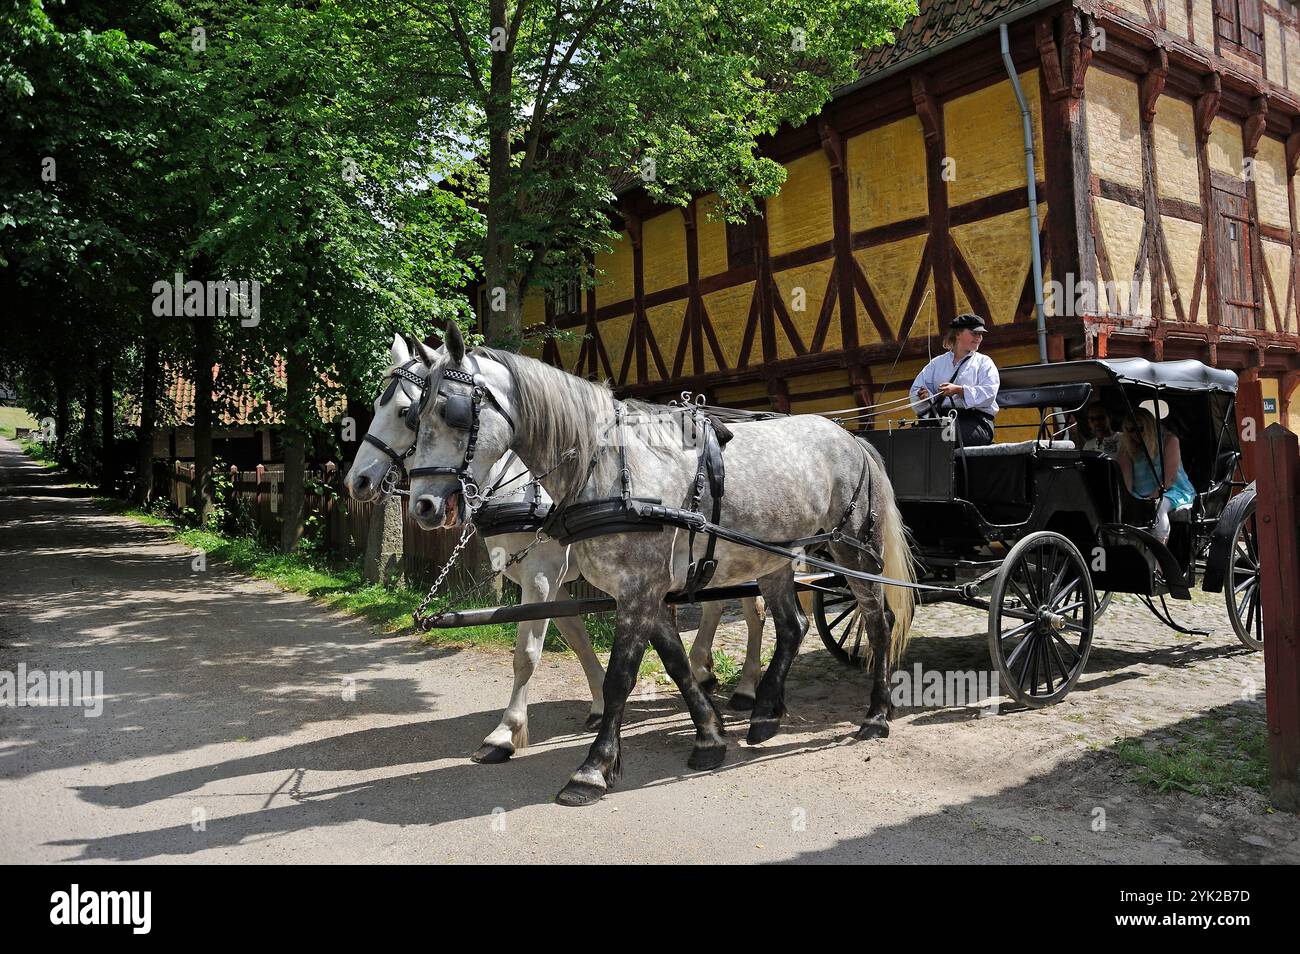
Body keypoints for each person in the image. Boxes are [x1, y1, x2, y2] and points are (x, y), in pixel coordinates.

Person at [909, 313, 999, 446]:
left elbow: (989, 394)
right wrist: (926, 396)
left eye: (980, 334)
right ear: (958, 334)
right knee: (912, 438)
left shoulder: (984, 362)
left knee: (944, 437)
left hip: (975, 422)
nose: (979, 338)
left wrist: (958, 390)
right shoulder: (937, 363)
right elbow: (916, 390)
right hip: (942, 420)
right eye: (974, 333)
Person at [1117, 407, 1196, 544]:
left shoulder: (1169, 441)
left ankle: (1160, 556)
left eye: (1140, 428)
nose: (1135, 434)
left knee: (1158, 507)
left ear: (1150, 427)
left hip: (1171, 491)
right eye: (1130, 430)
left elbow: (1169, 479)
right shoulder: (1126, 447)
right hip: (1139, 493)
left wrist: (1152, 498)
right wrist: (1126, 501)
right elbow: (1126, 480)